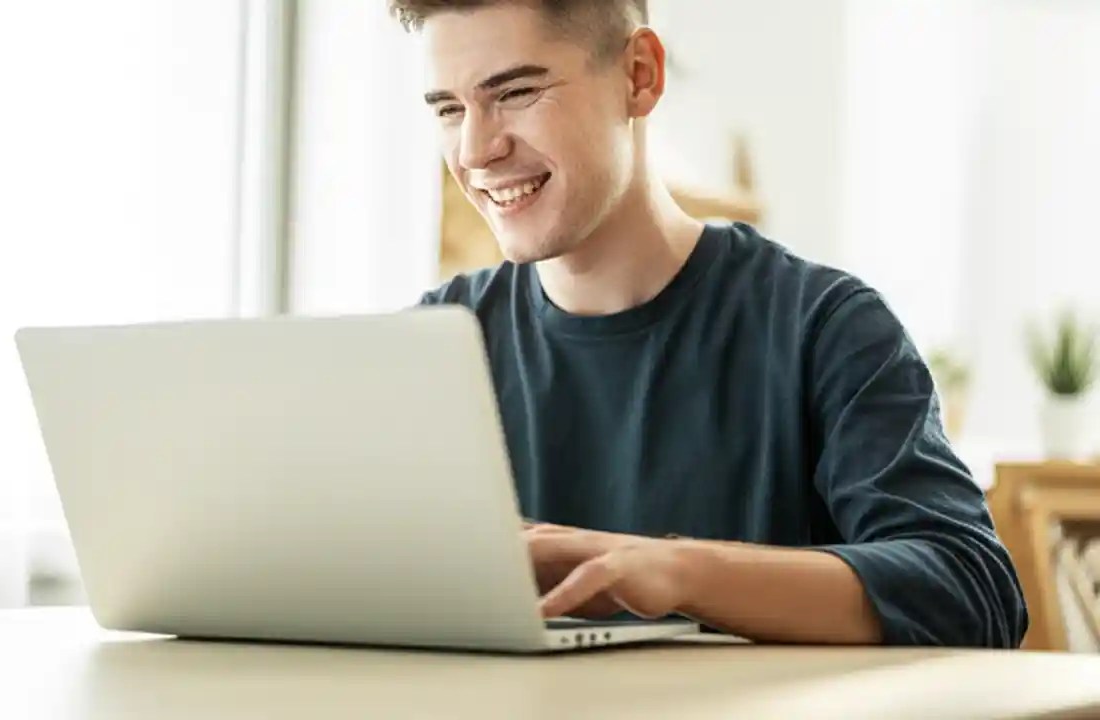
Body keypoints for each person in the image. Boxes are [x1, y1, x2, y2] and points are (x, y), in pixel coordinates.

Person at [391, 0, 1026, 648]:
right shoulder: (434, 347)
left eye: (517, 92)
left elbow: (970, 592)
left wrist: (679, 571)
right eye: (448, 109)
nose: (475, 150)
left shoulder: (823, 329)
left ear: (639, 75)